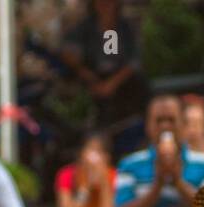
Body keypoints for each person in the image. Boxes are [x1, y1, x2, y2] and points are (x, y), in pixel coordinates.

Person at [113, 96, 204, 207]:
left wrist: (179, 183)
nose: (165, 126)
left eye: (171, 120)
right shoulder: (129, 165)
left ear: (183, 124)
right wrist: (158, 184)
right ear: (148, 126)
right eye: (159, 120)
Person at [60, 0, 146, 128]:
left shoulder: (126, 28)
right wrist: (86, 74)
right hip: (93, 83)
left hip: (125, 85)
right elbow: (68, 52)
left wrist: (111, 84)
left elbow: (134, 61)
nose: (105, 5)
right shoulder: (85, 27)